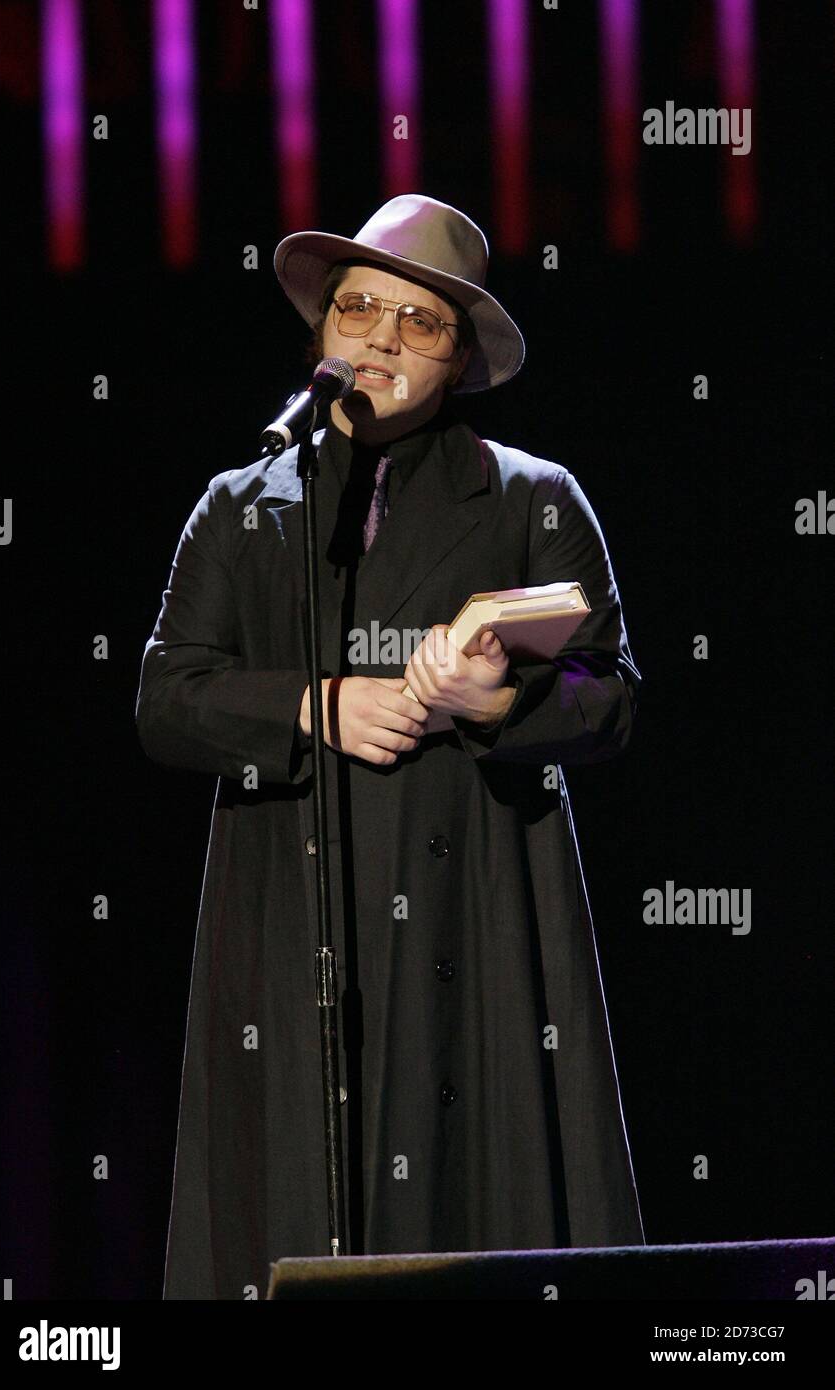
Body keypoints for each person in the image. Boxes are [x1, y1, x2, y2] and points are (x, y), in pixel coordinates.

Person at [136, 193, 646, 1301]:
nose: (377, 337)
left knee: (467, 1197)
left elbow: (608, 698)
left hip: (470, 909)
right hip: (292, 912)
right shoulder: (241, 506)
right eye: (356, 308)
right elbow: (166, 699)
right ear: (318, 334)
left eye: (417, 322)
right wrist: (314, 702)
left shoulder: (530, 498)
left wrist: (493, 699)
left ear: (458, 361)